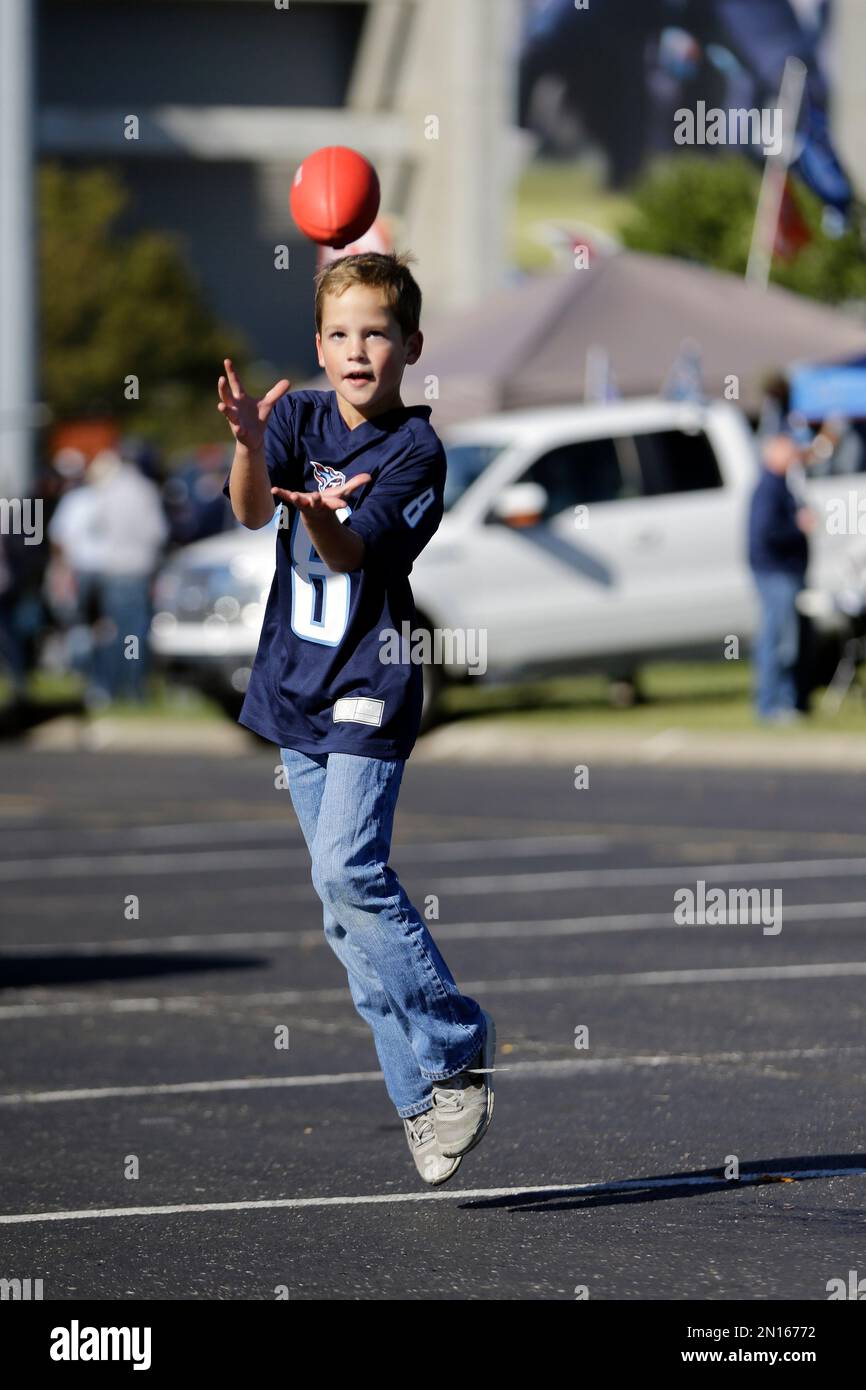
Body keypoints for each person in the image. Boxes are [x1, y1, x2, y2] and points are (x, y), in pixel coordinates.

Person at [218, 251, 495, 1186]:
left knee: (349, 869)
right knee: (343, 919)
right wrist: (252, 447)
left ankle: (457, 1049)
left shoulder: (416, 451)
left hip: (372, 680)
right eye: (340, 333)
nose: (357, 349)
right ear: (318, 345)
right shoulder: (295, 415)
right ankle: (420, 1100)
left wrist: (328, 511)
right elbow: (256, 515)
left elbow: (345, 556)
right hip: (297, 681)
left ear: (411, 345)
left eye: (377, 332)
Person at [747, 432, 817, 722]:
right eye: (788, 452)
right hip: (776, 572)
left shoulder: (782, 486)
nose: (793, 457)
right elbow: (767, 532)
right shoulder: (769, 488)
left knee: (786, 638)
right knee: (779, 640)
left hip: (782, 571)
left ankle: (786, 701)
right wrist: (798, 527)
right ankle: (773, 704)